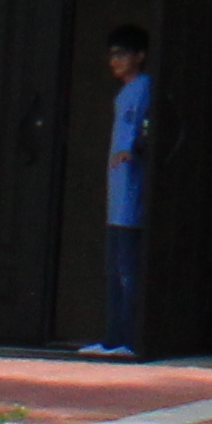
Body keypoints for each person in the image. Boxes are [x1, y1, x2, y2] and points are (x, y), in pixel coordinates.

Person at [84, 25, 155, 359]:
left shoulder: (145, 89)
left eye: (123, 53)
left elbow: (149, 129)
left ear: (139, 56)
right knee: (114, 268)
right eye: (113, 54)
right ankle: (112, 338)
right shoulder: (123, 94)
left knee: (128, 269)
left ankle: (130, 338)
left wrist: (137, 148)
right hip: (117, 193)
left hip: (132, 194)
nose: (116, 60)